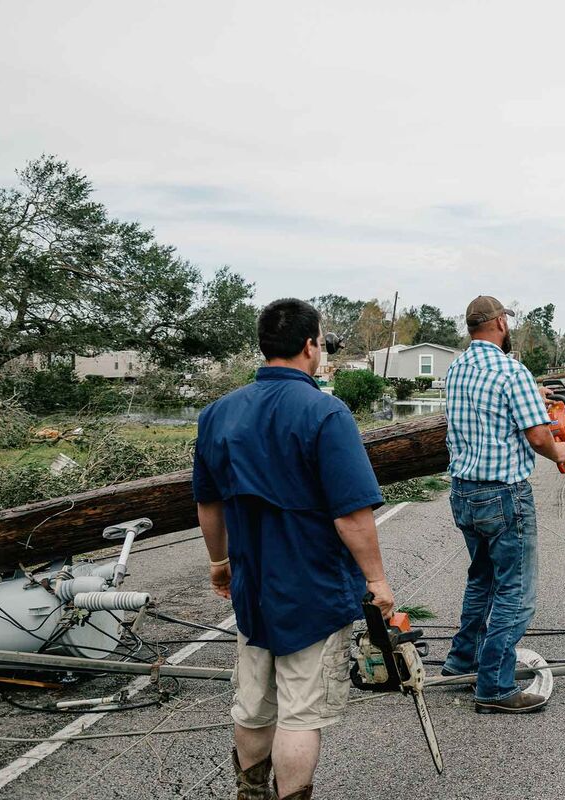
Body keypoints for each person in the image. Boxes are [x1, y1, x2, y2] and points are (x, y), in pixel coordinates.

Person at [193, 298, 393, 800]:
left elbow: (208, 504)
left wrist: (219, 563)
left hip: (252, 588)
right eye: (321, 342)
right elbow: (351, 515)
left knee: (253, 704)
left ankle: (250, 792)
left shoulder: (216, 414)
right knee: (300, 713)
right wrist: (376, 580)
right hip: (313, 589)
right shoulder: (326, 412)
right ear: (310, 346)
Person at [440, 295, 565, 713]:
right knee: (516, 591)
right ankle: (495, 686)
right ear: (499, 323)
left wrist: (533, 393)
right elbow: (538, 436)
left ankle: (463, 661)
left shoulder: (457, 369)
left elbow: (490, 402)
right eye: (506, 321)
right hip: (502, 495)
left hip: (464, 491)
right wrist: (559, 452)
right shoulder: (512, 371)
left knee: (482, 579)